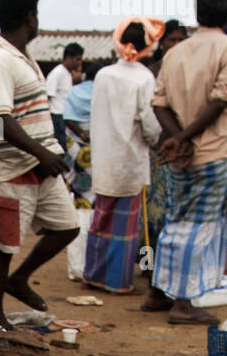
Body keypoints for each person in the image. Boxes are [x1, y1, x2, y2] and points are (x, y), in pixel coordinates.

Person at [144, 0, 227, 324]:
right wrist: (185, 138)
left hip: (181, 154)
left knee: (176, 221)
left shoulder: (175, 52)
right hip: (212, 151)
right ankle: (182, 303)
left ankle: (159, 291)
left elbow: (159, 104)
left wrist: (178, 139)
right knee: (199, 226)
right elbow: (220, 101)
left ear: (198, 11)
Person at [0, 0, 79, 330]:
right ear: (29, 17)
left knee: (68, 226)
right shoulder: (1, 60)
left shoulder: (23, 58)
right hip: (10, 169)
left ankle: (19, 279)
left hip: (39, 166)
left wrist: (44, 154)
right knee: (4, 248)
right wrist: (40, 153)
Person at [82, 20, 163, 294]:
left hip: (104, 156)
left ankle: (94, 274)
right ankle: (118, 280)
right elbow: (149, 121)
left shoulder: (103, 75)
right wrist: (159, 141)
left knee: (101, 219)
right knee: (126, 226)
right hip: (130, 159)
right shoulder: (145, 78)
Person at [145, 20, 189, 250]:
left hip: (185, 150)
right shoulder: (150, 74)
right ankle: (148, 264)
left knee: (177, 212)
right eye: (172, 39)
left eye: (182, 39)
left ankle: (167, 266)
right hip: (157, 150)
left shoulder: (192, 72)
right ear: (161, 43)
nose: (177, 44)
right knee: (152, 214)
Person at [62, 61, 101, 208]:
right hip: (96, 146)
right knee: (95, 188)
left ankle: (79, 216)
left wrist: (80, 133)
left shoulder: (74, 91)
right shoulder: (103, 92)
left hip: (75, 146)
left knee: (75, 185)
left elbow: (67, 117)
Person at [46, 43, 84, 149]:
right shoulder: (57, 73)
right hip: (56, 117)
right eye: (77, 59)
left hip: (66, 119)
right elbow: (47, 97)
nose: (79, 62)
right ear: (68, 57)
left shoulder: (67, 74)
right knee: (60, 150)